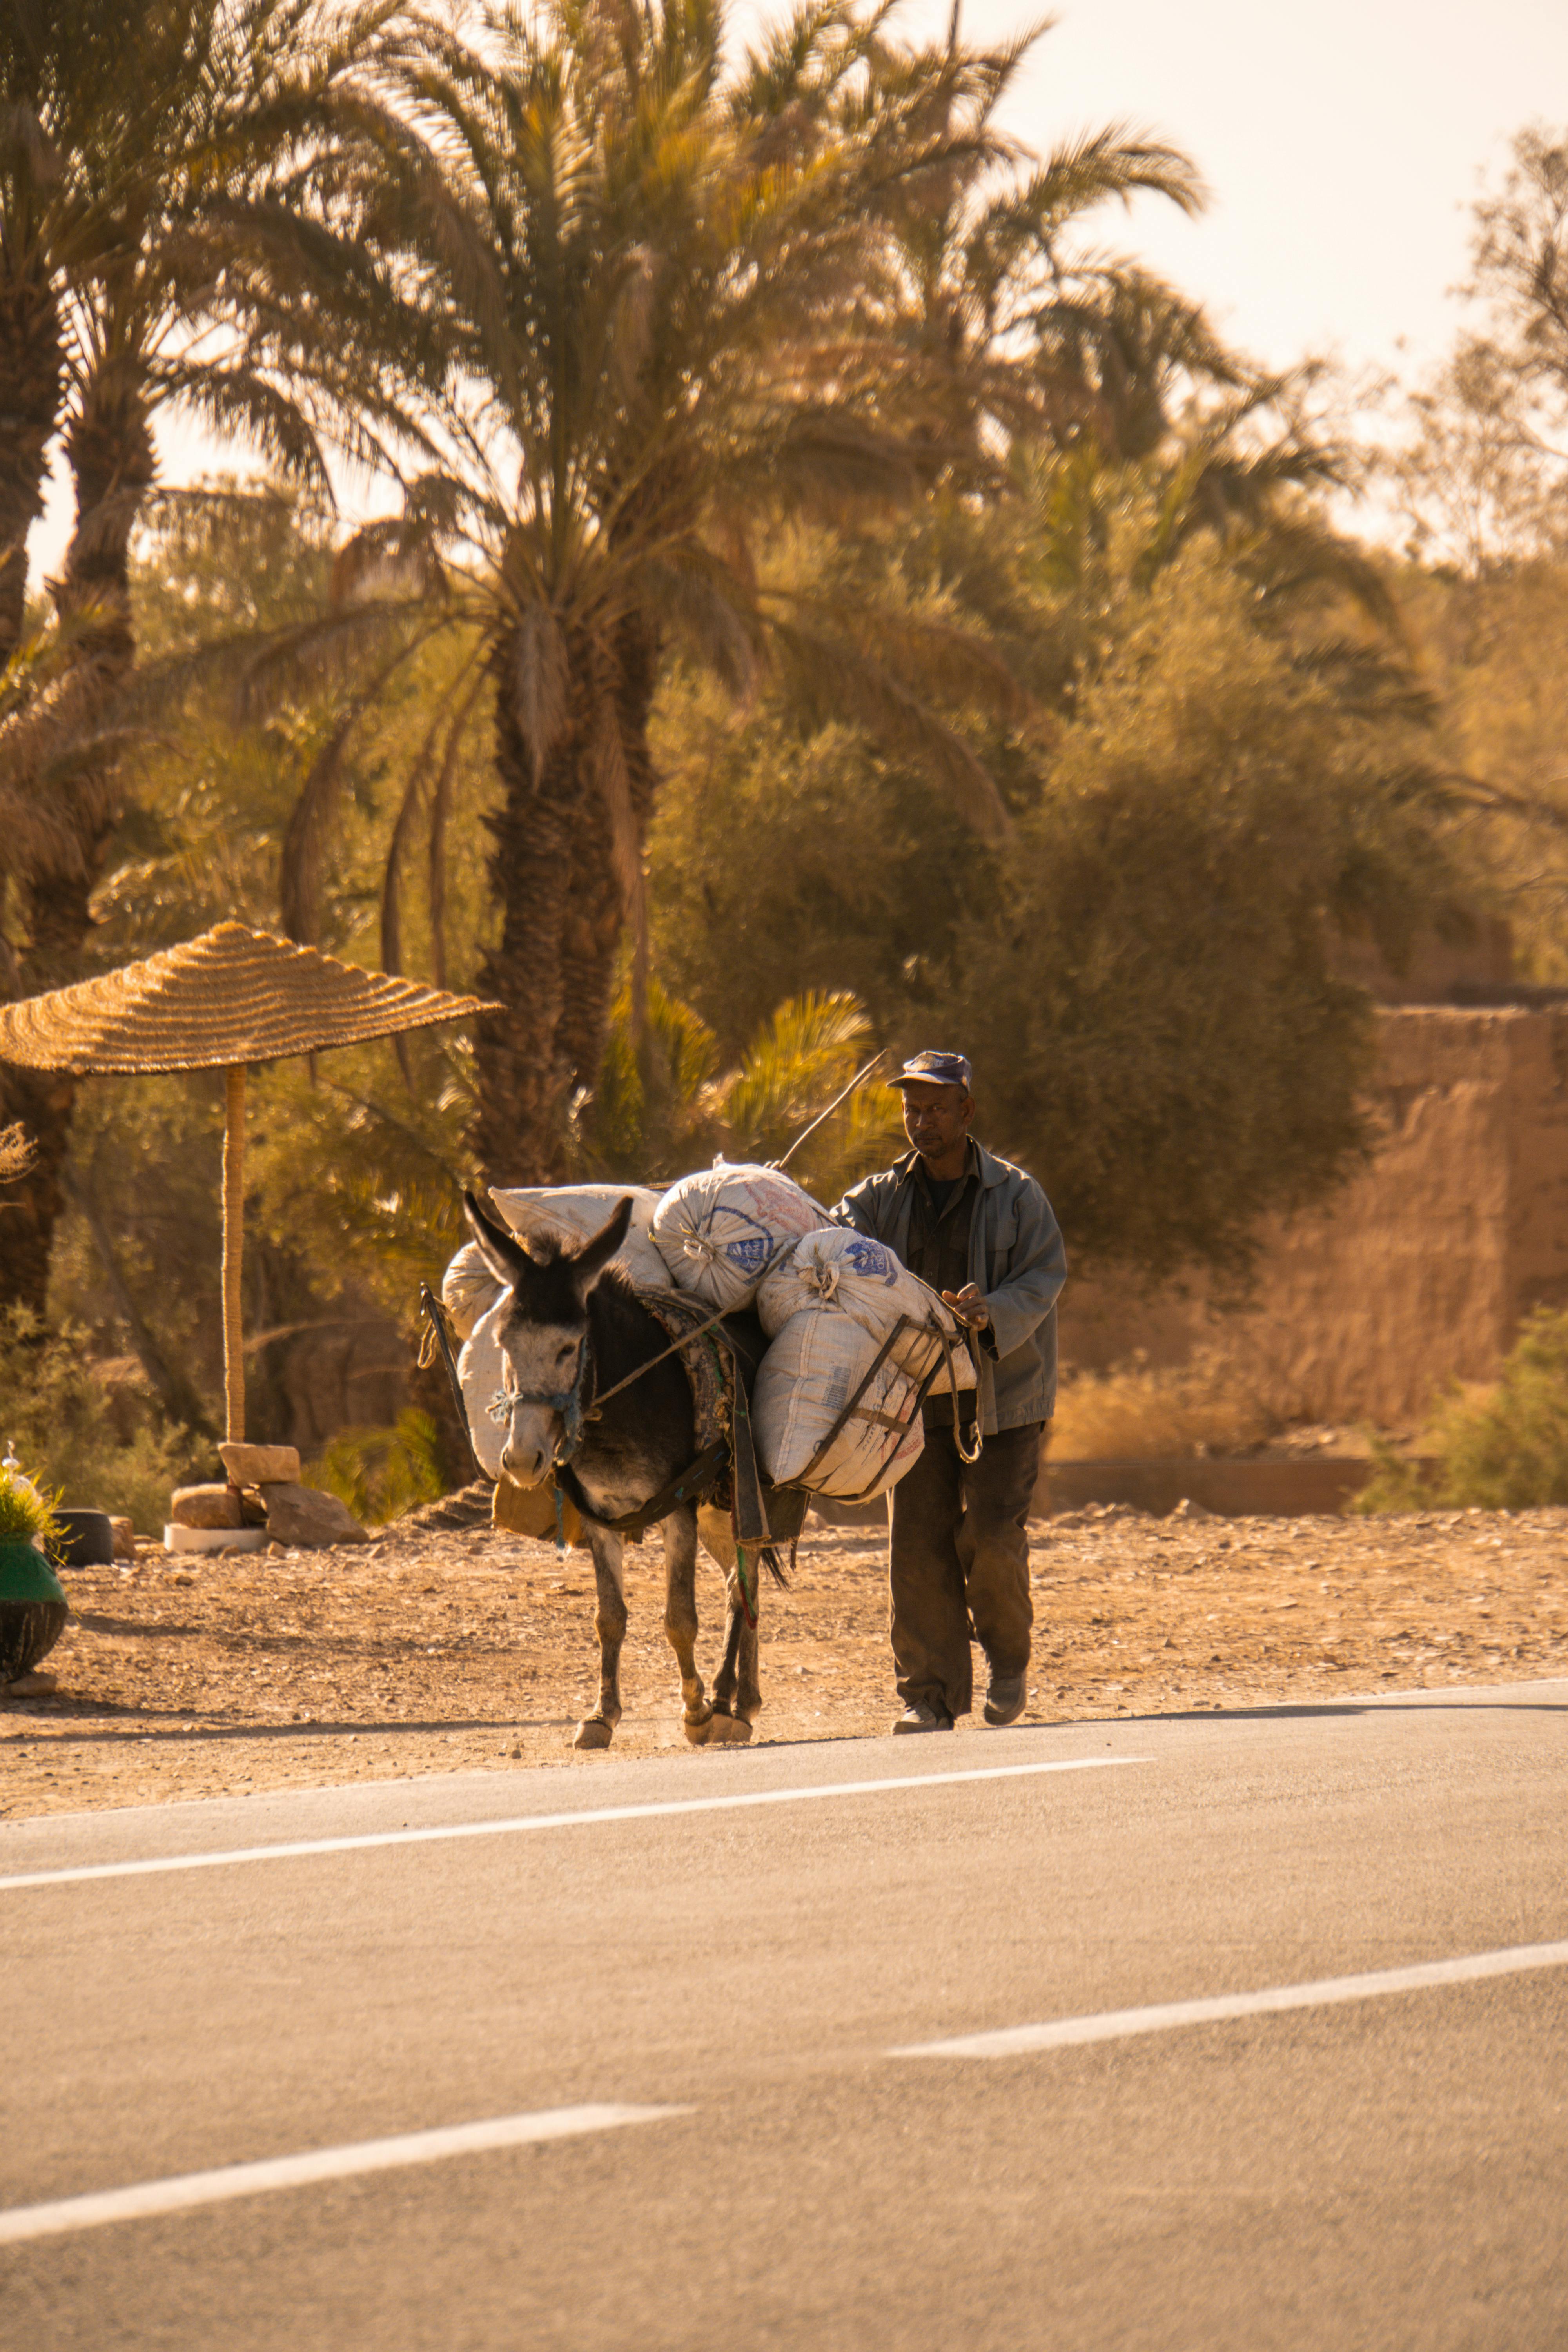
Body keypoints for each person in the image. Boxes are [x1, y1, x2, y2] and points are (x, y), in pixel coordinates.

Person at [833, 1051, 1066, 1732]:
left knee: (992, 1539)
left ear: (966, 1112)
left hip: (1003, 1402)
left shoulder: (1019, 1196)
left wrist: (992, 1309)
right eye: (912, 1108)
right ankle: (928, 1697)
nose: (922, 1121)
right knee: (917, 1548)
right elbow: (836, 1239)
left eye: (936, 1108)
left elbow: (1045, 1278)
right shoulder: (879, 1197)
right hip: (914, 1398)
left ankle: (1008, 1665)